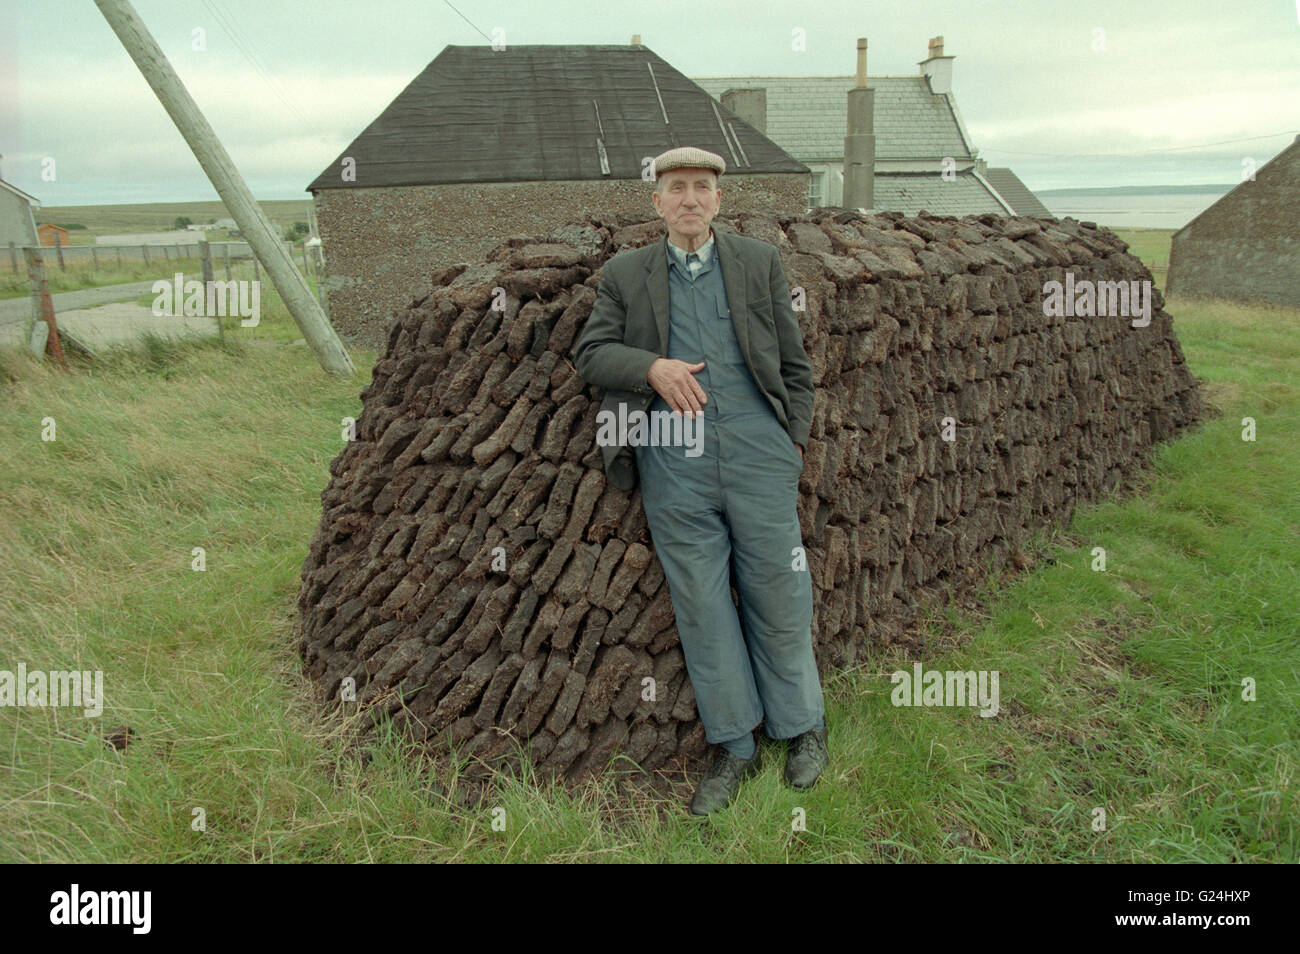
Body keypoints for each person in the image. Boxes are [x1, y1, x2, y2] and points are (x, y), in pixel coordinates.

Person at [573, 145, 828, 815]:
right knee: (703, 605)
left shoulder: (757, 263)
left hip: (757, 453)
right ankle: (735, 745)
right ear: (657, 202)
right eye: (676, 187)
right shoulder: (627, 275)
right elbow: (591, 353)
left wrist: (789, 443)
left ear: (719, 200)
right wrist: (651, 366)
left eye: (702, 188)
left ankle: (801, 727)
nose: (690, 198)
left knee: (779, 590)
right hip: (672, 462)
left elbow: (796, 367)